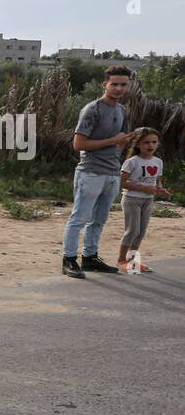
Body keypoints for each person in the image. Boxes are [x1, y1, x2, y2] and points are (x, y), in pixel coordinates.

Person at [62, 66, 133, 279]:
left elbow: (123, 140)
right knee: (79, 218)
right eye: (115, 84)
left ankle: (90, 257)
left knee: (99, 219)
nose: (119, 88)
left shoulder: (122, 111)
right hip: (91, 172)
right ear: (105, 84)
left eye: (123, 85)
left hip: (112, 173)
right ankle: (69, 260)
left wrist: (122, 146)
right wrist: (114, 141)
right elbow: (78, 143)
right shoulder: (93, 109)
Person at [117, 126, 171, 272]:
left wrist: (160, 189)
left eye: (154, 142)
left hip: (148, 200)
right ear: (138, 144)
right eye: (146, 142)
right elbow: (121, 182)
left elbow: (157, 181)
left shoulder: (158, 162)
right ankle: (121, 260)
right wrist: (144, 188)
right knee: (132, 230)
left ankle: (132, 261)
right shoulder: (132, 162)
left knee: (141, 232)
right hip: (132, 199)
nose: (151, 145)